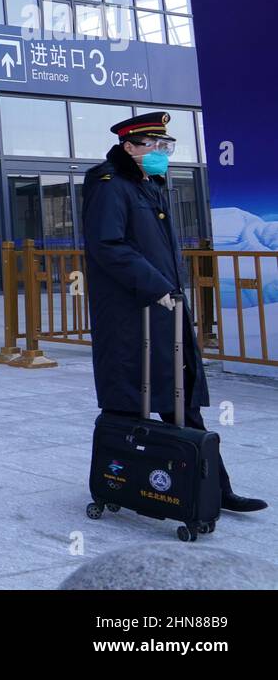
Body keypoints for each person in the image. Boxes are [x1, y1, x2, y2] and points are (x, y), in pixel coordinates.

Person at [82, 111, 266, 512]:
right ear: (129, 147)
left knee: (180, 399)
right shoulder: (110, 186)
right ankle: (117, 484)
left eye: (167, 146)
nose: (163, 153)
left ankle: (214, 488)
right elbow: (108, 246)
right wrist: (155, 286)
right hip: (131, 315)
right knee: (128, 403)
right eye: (155, 146)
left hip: (162, 307)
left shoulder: (149, 185)